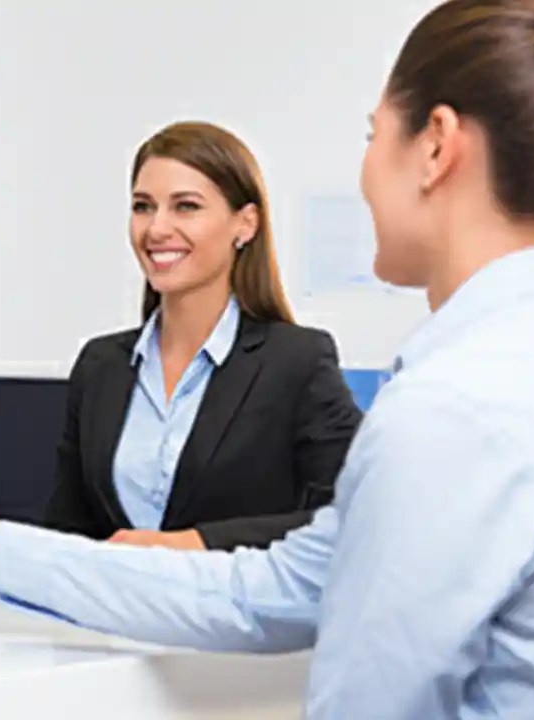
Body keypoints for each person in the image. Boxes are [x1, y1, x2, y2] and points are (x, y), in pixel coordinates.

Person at [0, 1, 534, 716]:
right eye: (144, 204)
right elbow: (276, 587)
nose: (159, 227)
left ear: (436, 147)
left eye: (371, 135)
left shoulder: (460, 408)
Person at [45, 121, 361, 552]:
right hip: (112, 618)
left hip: (230, 615)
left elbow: (352, 517)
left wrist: (193, 544)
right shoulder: (101, 364)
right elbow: (65, 533)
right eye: (143, 206)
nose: (156, 229)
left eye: (186, 206)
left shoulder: (296, 361)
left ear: (245, 224)